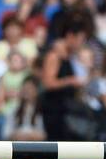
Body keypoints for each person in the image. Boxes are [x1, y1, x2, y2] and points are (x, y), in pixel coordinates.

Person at [39, 8, 94, 141]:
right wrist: (71, 81)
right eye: (80, 40)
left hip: (66, 111)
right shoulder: (54, 56)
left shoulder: (70, 57)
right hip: (54, 112)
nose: (81, 44)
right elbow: (48, 83)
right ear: (70, 36)